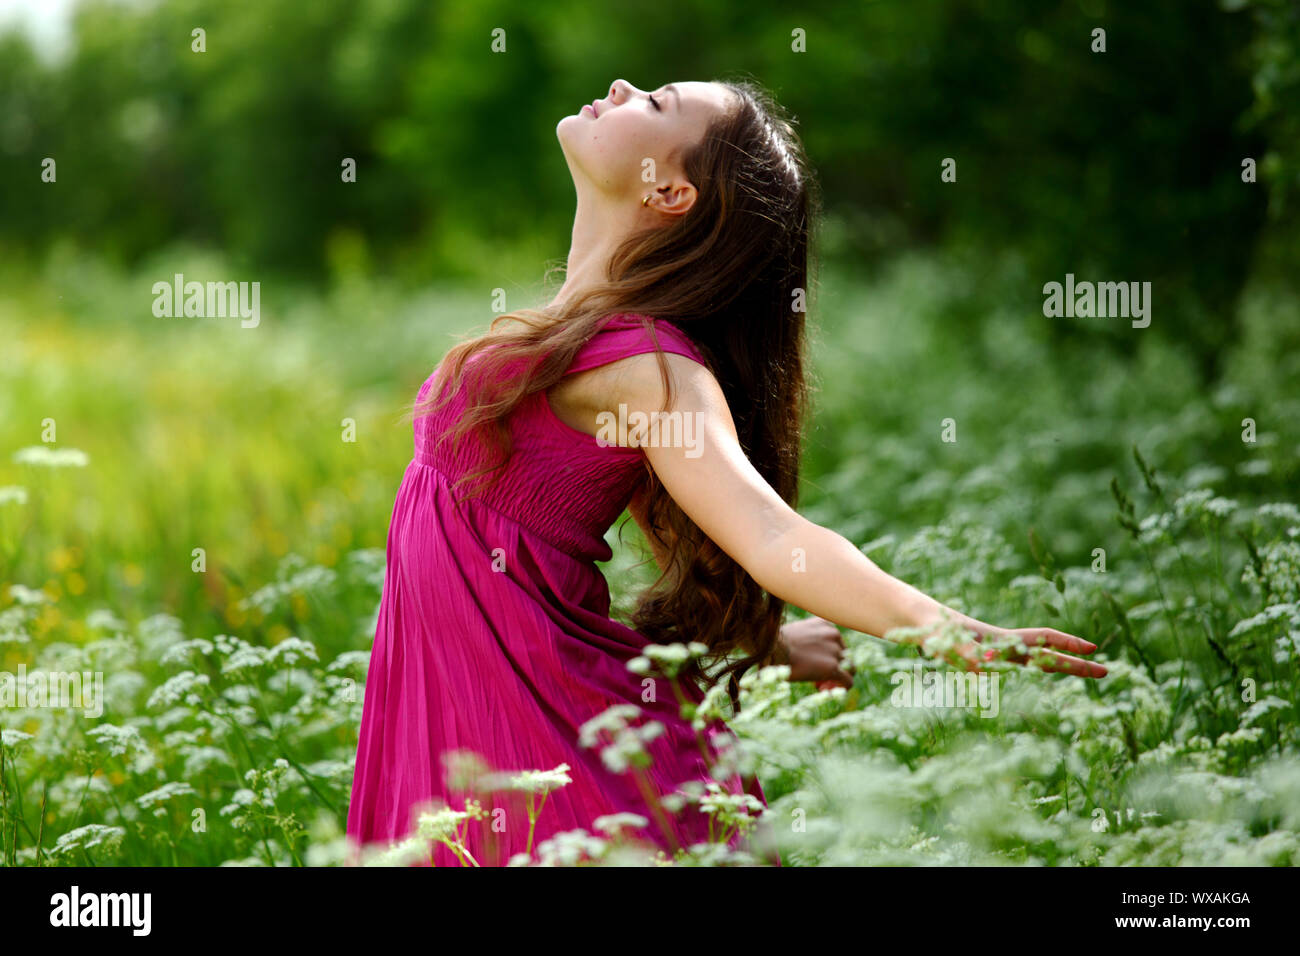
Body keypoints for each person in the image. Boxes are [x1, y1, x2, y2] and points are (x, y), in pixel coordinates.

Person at [345, 77, 1106, 867]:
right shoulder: (572, 331)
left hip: (539, 737)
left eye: (655, 102)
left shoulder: (650, 367)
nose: (620, 85)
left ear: (672, 191)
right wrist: (768, 645)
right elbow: (573, 577)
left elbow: (769, 532)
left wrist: (942, 631)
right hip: (462, 720)